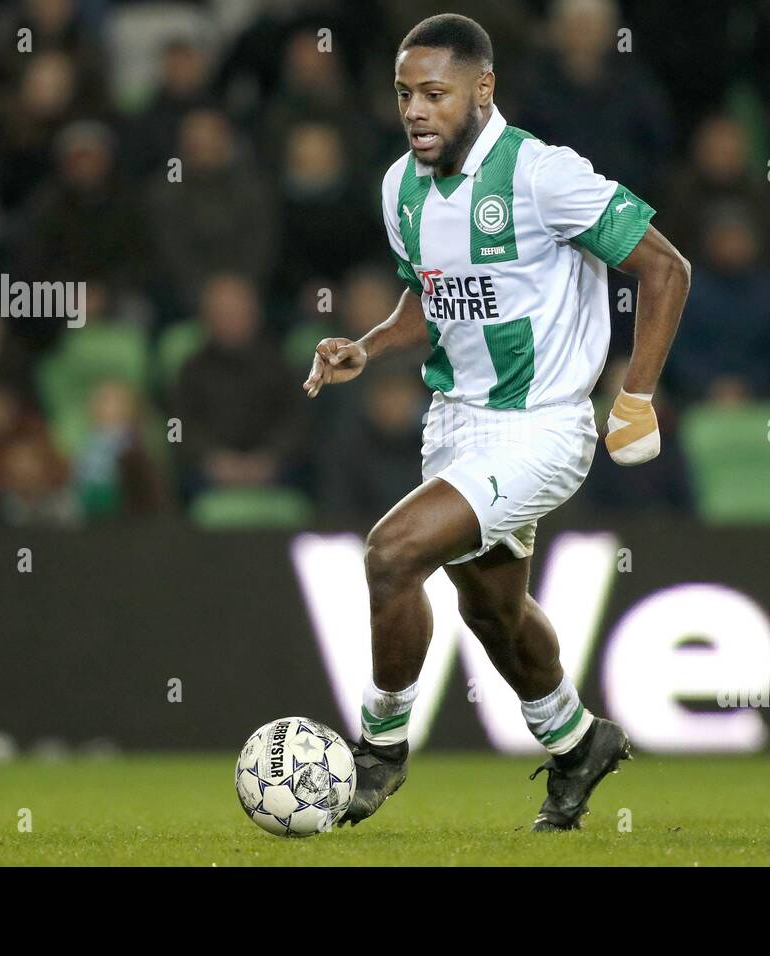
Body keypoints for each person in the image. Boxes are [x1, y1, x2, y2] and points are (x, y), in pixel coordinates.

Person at [302, 15, 690, 831]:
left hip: (543, 428)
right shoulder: (398, 187)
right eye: (405, 93)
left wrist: (636, 396)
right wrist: (369, 347)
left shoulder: (543, 176)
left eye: (435, 94)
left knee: (392, 555)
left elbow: (664, 267)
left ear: (482, 89)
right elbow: (430, 296)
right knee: (492, 612)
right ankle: (578, 743)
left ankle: (378, 751)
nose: (416, 111)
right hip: (455, 424)